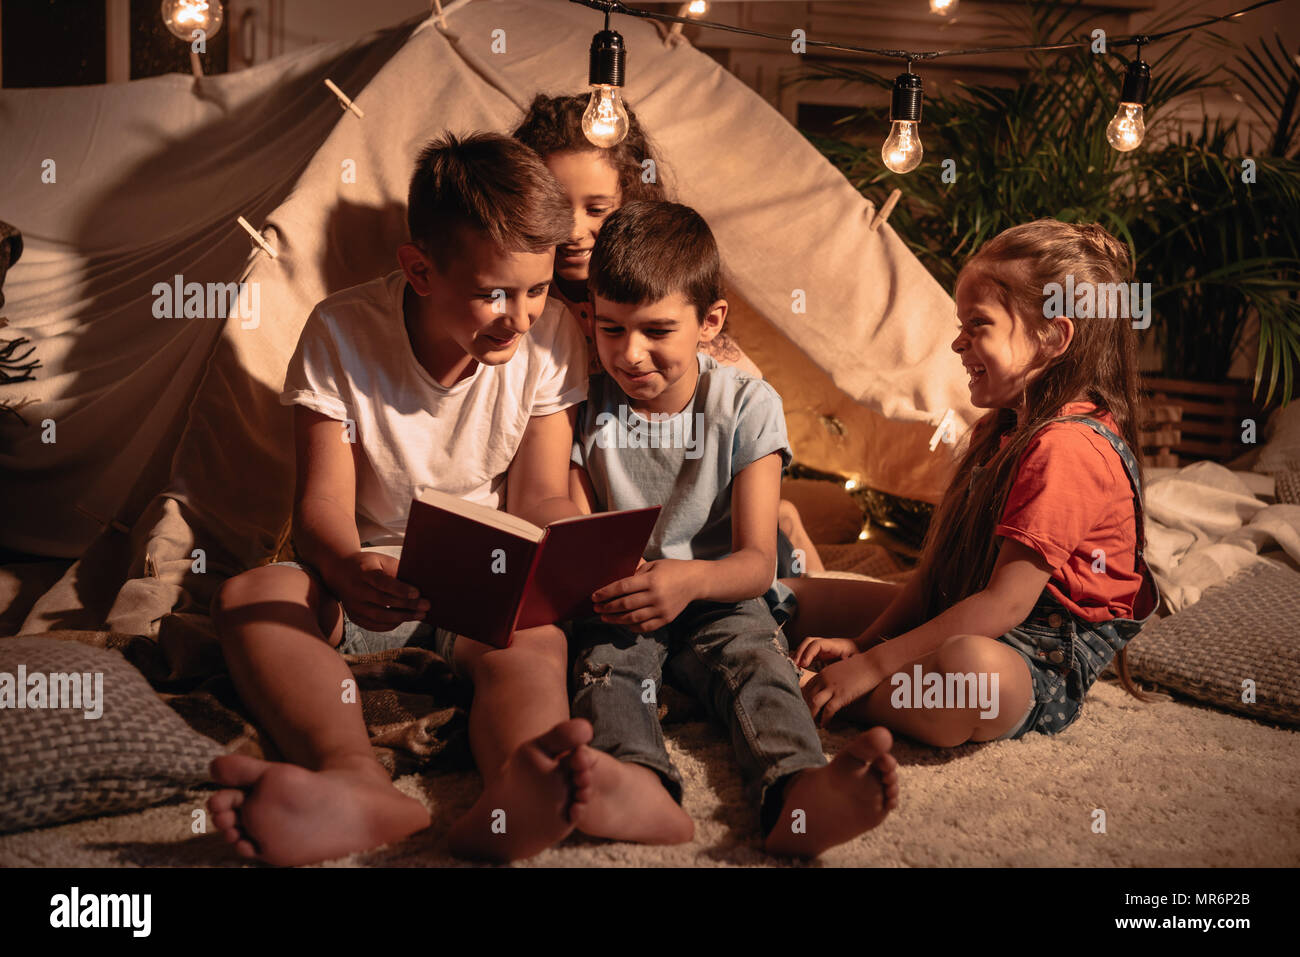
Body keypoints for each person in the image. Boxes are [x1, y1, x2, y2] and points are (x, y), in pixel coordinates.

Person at [207, 132, 594, 865]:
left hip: (482, 576)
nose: (522, 315)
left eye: (538, 289)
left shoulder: (552, 341)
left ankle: (522, 779)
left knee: (534, 641)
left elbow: (541, 491)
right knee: (250, 595)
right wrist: (349, 568)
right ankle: (352, 777)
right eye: (494, 294)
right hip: (371, 577)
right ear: (419, 270)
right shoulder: (341, 332)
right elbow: (320, 506)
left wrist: (569, 543)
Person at [564, 200, 899, 857]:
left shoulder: (747, 403)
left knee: (759, 663)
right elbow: (573, 521)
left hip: (720, 594)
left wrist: (688, 580)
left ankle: (799, 790)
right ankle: (634, 779)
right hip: (626, 599)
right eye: (611, 329)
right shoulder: (583, 400)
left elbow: (755, 562)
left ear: (709, 321)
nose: (630, 354)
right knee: (605, 664)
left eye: (656, 330)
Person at [790, 220, 1159, 746]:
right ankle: (793, 665)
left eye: (977, 324)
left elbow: (1005, 606)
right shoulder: (997, 429)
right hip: (959, 612)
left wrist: (869, 668)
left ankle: (810, 692)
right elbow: (934, 573)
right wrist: (863, 644)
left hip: (1031, 660)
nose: (957, 342)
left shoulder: (1072, 447)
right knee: (800, 598)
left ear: (1053, 337)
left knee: (969, 675)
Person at [513, 92, 824, 574]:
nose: (574, 230)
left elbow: (736, 403)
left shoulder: (680, 308)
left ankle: (782, 527)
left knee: (780, 569)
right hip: (602, 502)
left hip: (708, 523)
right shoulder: (522, 311)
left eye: (597, 209)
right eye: (557, 208)